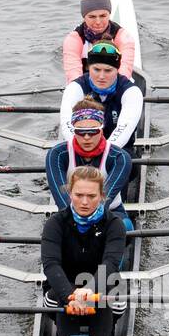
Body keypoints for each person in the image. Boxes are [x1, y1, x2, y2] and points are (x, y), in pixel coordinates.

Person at [41, 166, 128, 336]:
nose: (85, 202)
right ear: (70, 193)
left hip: (103, 286)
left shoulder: (114, 224)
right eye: (79, 195)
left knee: (115, 300)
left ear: (102, 196)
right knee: (51, 299)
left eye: (91, 196)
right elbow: (51, 264)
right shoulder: (55, 223)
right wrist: (71, 296)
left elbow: (110, 263)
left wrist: (89, 291)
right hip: (65, 286)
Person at [45, 97, 134, 235]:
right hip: (69, 212)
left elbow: (105, 198)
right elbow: (62, 199)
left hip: (110, 211)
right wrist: (75, 224)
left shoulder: (119, 157)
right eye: (80, 131)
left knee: (123, 227)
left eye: (93, 131)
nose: (86, 137)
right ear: (73, 130)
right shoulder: (57, 155)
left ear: (102, 129)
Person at [59, 39, 143, 158]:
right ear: (88, 67)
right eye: (96, 70)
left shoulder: (131, 92)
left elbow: (123, 131)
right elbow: (67, 125)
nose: (101, 76)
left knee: (128, 161)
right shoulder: (75, 87)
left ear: (117, 69)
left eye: (108, 70)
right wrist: (85, 155)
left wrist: (99, 157)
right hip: (80, 149)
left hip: (117, 151)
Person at [62, 0, 136, 83]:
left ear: (109, 14)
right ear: (84, 17)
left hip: (118, 84)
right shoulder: (73, 40)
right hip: (83, 85)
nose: (98, 22)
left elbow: (125, 70)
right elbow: (73, 74)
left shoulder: (124, 37)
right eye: (92, 17)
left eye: (103, 16)